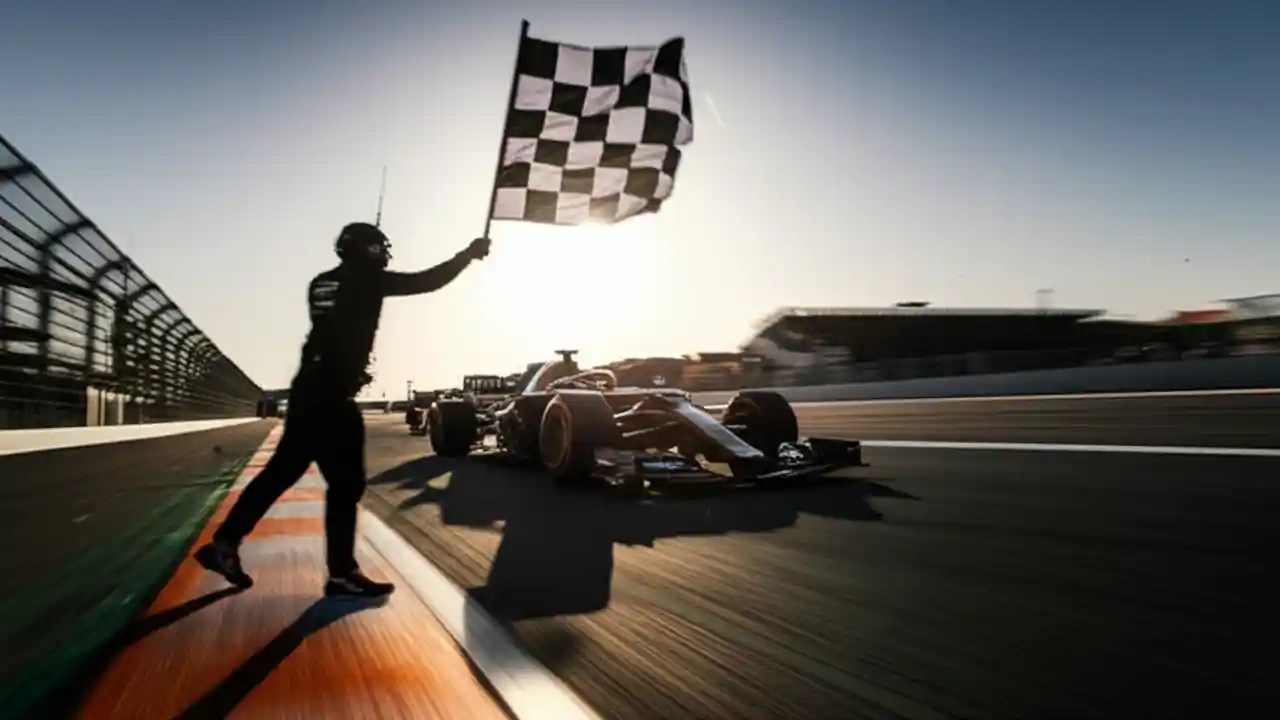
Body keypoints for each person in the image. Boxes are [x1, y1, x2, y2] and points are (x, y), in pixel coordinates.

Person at [194, 222, 490, 597]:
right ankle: (342, 573)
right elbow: (426, 281)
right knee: (346, 484)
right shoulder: (368, 279)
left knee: (280, 473)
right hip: (333, 397)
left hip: (307, 391)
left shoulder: (321, 282)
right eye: (379, 247)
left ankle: (225, 543)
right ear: (366, 250)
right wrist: (468, 255)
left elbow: (337, 329)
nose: (383, 253)